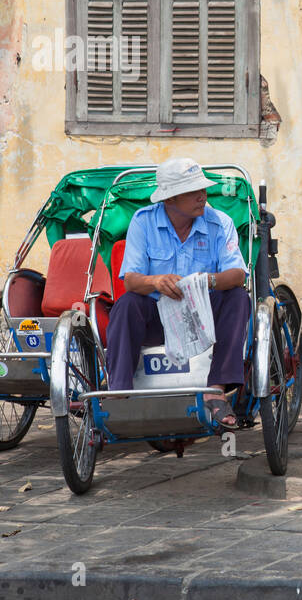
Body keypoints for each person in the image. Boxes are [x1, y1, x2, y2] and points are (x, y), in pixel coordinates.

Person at [106, 158, 250, 431]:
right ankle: (119, 392)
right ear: (170, 198)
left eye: (203, 189)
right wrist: (156, 281)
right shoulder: (143, 222)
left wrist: (208, 280)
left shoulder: (220, 222)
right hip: (157, 317)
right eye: (192, 191)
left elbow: (237, 274)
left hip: (204, 319)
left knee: (238, 297)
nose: (202, 196)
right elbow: (132, 281)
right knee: (126, 304)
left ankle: (216, 388)